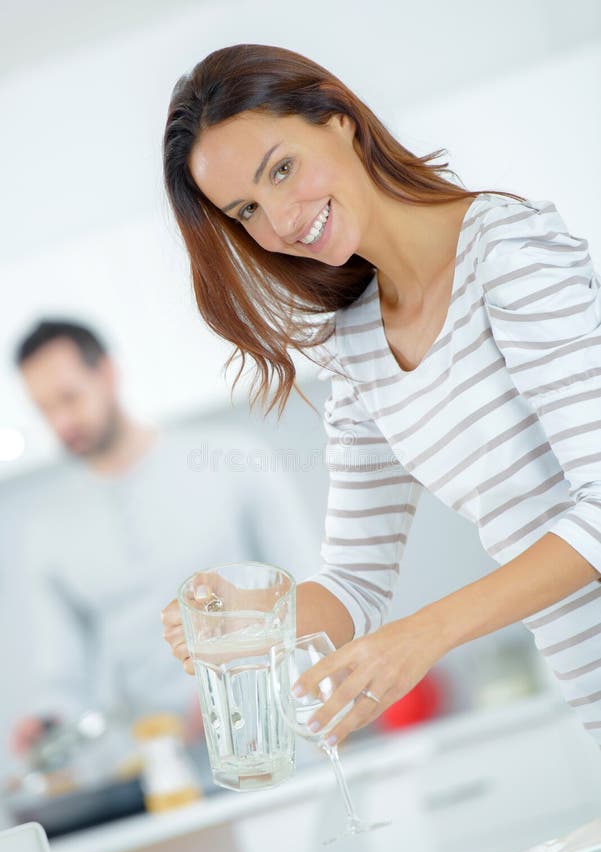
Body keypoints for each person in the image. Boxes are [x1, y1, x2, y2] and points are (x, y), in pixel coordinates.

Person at [160, 43, 601, 751]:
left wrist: (425, 634)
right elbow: (354, 588)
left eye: (281, 168)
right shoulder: (356, 344)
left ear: (339, 121)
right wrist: (250, 617)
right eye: (246, 208)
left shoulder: (505, 250)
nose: (277, 221)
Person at [9, 318, 318, 755]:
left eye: (69, 398)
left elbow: (309, 594)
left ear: (108, 374)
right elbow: (64, 677)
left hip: (274, 738)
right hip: (158, 768)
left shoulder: (232, 460)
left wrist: (239, 685)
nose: (61, 422)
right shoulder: (47, 528)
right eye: (45, 410)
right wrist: (49, 725)